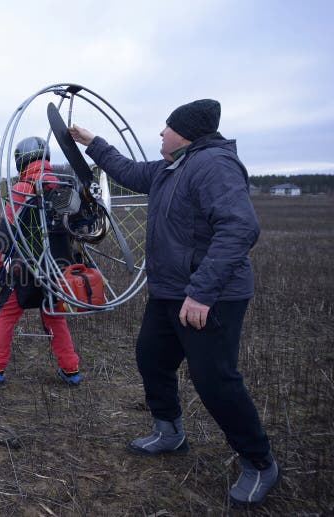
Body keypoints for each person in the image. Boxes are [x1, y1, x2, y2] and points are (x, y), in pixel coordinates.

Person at [68, 99, 280, 507]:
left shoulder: (214, 164)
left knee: (214, 379)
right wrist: (92, 142)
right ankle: (169, 432)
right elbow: (127, 171)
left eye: (166, 127)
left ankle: (259, 462)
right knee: (152, 358)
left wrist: (201, 293)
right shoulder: (170, 168)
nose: (161, 133)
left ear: (185, 133)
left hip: (210, 296)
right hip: (168, 291)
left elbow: (239, 227)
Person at [0, 136, 81, 386]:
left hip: (28, 269)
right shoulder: (63, 187)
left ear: (21, 160)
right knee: (54, 315)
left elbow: (7, 231)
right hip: (58, 269)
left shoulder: (21, 189)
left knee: (4, 314)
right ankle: (70, 369)